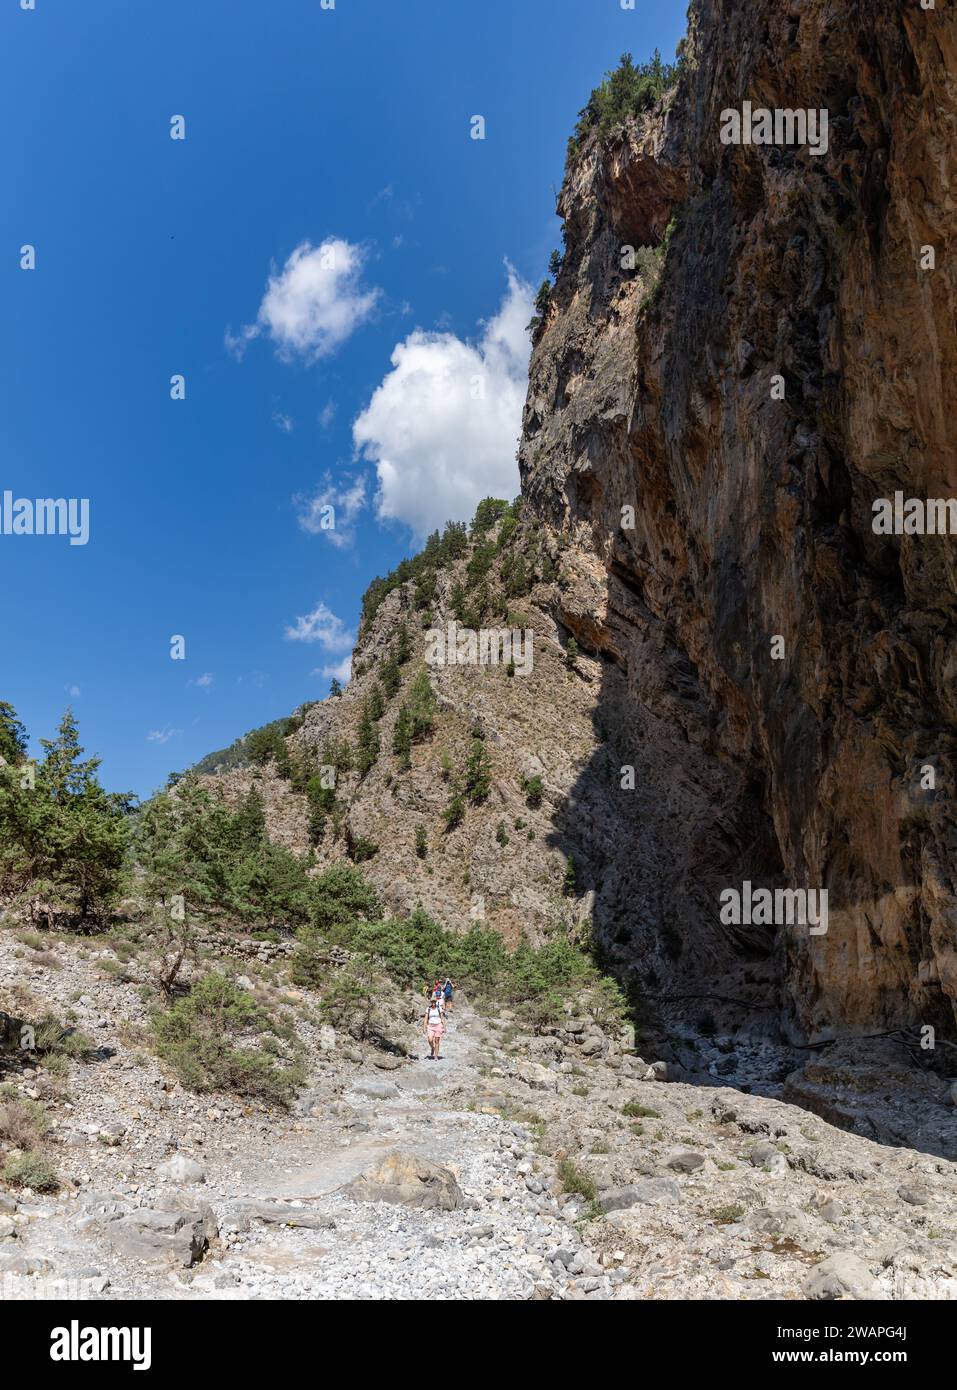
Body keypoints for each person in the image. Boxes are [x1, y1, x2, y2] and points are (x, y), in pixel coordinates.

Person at [424, 991, 446, 1060]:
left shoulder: (439, 1008)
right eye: (432, 1002)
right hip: (430, 1026)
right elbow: (425, 1019)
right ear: (431, 1002)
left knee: (437, 1041)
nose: (433, 1003)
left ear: (436, 1002)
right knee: (430, 1039)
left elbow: (442, 1018)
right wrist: (424, 1027)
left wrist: (444, 1027)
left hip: (438, 1025)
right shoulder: (428, 1009)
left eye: (434, 1002)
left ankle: (436, 1056)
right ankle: (432, 1048)